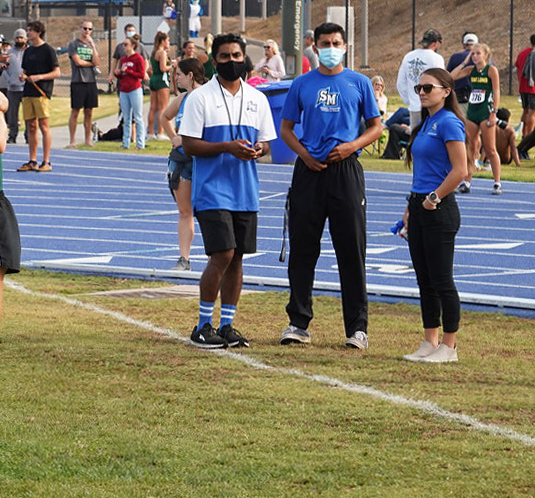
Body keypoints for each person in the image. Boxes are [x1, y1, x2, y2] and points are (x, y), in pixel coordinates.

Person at [278, 21, 382, 350]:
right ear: (315, 46)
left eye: (337, 41)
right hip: (309, 171)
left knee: (351, 250)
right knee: (303, 249)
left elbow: (376, 127)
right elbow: (286, 129)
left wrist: (352, 146)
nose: (331, 46)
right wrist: (304, 155)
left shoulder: (360, 83)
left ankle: (357, 329)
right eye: (325, 42)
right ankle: (298, 322)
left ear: (345, 46)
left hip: (346, 171)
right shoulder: (301, 84)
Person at [178, 32, 276, 349]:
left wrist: (258, 149)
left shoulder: (257, 99)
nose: (231, 61)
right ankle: (203, 325)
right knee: (222, 253)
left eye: (236, 56)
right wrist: (226, 147)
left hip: (245, 190)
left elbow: (267, 143)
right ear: (214, 60)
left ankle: (227, 325)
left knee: (238, 259)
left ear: (244, 58)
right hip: (212, 190)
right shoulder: (200, 98)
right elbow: (189, 145)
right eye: (224, 56)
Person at [400, 68, 468, 363]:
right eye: (419, 88)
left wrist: (433, 198)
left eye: (428, 87)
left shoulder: (450, 123)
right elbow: (421, 172)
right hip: (419, 206)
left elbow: (461, 171)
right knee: (424, 280)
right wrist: (410, 207)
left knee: (442, 280)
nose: (423, 92)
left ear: (446, 91)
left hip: (438, 209)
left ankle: (449, 347)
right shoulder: (427, 123)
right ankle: (430, 341)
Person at [162, 57, 208, 271]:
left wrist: (188, 139)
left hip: (205, 160)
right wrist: (174, 137)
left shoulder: (208, 97)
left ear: (190, 75)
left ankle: (216, 256)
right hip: (183, 161)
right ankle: (184, 258)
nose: (175, 78)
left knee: (210, 211)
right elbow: (164, 117)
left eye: (178, 74)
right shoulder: (182, 99)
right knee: (185, 211)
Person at [451, 42, 502, 195]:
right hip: (472, 112)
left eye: (478, 53)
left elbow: (496, 91)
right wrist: (464, 62)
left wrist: (494, 112)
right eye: (472, 53)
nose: (474, 56)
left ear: (485, 55)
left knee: (490, 149)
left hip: (486, 112)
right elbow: (451, 77)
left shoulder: (491, 70)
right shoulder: (470, 70)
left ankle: (497, 182)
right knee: (470, 147)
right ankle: (466, 182)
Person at [16, 20, 59, 172]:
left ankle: (46, 161)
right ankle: (32, 160)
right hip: (28, 92)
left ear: (38, 32)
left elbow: (57, 72)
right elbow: (26, 70)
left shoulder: (48, 50)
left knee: (44, 126)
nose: (27, 33)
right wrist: (24, 76)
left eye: (30, 31)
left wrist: (39, 77)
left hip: (42, 93)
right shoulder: (28, 51)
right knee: (31, 127)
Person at [395, 29, 445, 128]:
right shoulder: (437, 58)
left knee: (416, 137)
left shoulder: (409, 56)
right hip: (432, 106)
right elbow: (441, 82)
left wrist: (410, 100)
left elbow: (401, 83)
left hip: (414, 107)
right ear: (435, 44)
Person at [66, 21, 99, 147]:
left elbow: (96, 61)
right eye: (85, 28)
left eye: (89, 29)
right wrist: (91, 64)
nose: (87, 31)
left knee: (89, 112)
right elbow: (78, 62)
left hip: (90, 81)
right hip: (78, 81)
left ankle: (87, 140)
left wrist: (93, 46)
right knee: (75, 111)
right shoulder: (73, 44)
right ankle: (72, 141)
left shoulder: (91, 45)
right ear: (80, 28)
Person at [113, 33, 147, 150]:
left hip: (135, 89)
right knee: (126, 118)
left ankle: (140, 143)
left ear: (132, 45)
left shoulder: (138, 58)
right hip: (124, 90)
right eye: (123, 44)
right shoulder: (123, 60)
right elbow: (122, 76)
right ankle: (125, 143)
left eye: (126, 44)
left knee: (137, 117)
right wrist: (118, 74)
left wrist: (129, 71)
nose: (124, 47)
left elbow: (141, 74)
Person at [1, 29, 26, 144]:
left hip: (26, 88)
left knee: (28, 113)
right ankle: (12, 135)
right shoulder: (9, 52)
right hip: (13, 88)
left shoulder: (29, 52)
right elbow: (3, 69)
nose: (19, 40)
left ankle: (28, 135)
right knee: (12, 113)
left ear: (25, 39)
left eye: (21, 38)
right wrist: (9, 79)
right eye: (17, 38)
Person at [147, 31, 171, 139]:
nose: (168, 42)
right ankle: (160, 132)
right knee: (163, 108)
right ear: (162, 41)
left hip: (153, 80)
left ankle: (151, 132)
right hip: (161, 80)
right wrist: (172, 65)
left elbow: (150, 69)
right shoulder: (162, 53)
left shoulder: (154, 52)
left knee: (153, 107)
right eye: (167, 40)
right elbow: (163, 68)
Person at [516, 33, 535, 151]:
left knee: (525, 111)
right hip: (532, 87)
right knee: (532, 113)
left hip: (523, 86)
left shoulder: (522, 53)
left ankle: (523, 132)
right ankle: (527, 136)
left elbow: (518, 67)